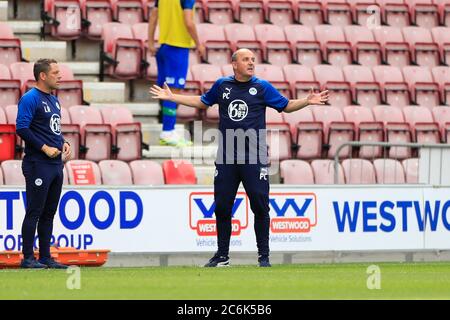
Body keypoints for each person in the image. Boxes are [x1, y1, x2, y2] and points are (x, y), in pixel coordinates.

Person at [150, 49, 329, 267]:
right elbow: (202, 101)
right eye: (246, 60)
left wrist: (307, 101)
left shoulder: (262, 87)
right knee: (222, 207)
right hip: (226, 158)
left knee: (260, 207)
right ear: (234, 64)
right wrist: (172, 97)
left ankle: (264, 257)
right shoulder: (222, 85)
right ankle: (222, 255)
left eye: (253, 59)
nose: (251, 63)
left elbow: (286, 106)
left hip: (254, 157)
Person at [16, 58, 71, 269]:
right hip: (38, 163)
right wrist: (44, 148)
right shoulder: (30, 98)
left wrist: (64, 142)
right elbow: (22, 128)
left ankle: (46, 256)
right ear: (43, 76)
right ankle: (28, 258)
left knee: (49, 213)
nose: (60, 76)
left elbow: (52, 129)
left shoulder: (54, 100)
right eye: (56, 72)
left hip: (55, 165)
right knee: (35, 211)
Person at [148, 0, 206, 147]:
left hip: (164, 47)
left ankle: (168, 129)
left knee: (165, 90)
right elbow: (188, 22)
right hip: (177, 48)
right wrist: (198, 43)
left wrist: (150, 42)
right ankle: (168, 131)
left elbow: (153, 16)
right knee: (172, 91)